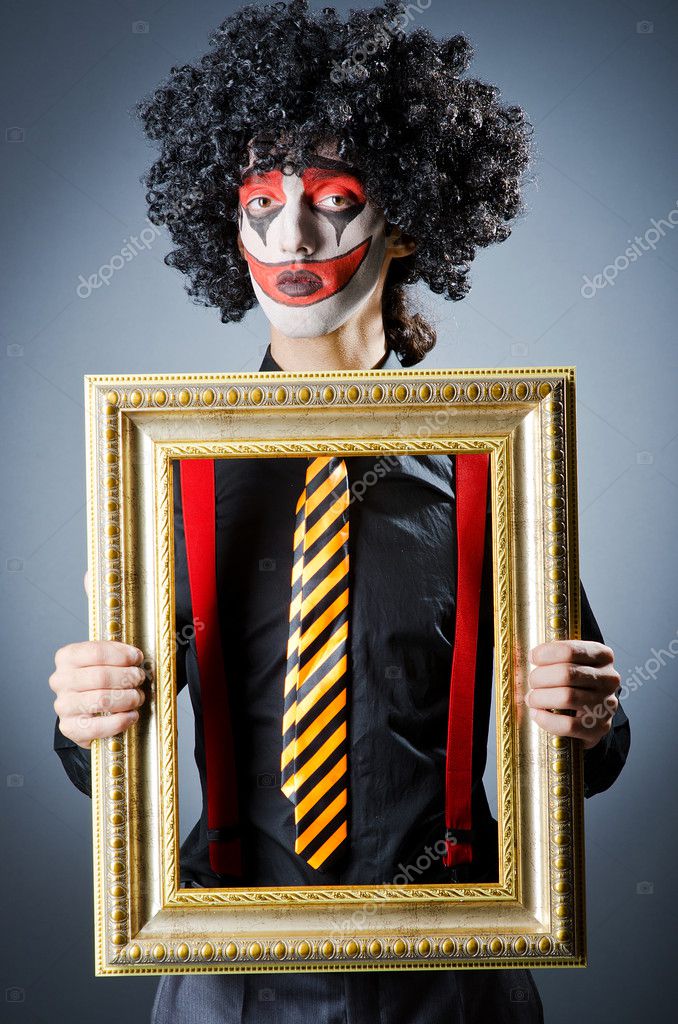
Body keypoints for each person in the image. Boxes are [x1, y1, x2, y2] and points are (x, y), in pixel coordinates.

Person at [50, 3, 630, 1021]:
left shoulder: (497, 466)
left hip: (458, 974)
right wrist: (84, 719)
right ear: (225, 226)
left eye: (336, 196)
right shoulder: (162, 475)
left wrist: (594, 714)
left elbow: (593, 757)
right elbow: (105, 770)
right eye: (260, 200)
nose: (293, 233)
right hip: (228, 974)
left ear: (405, 218)